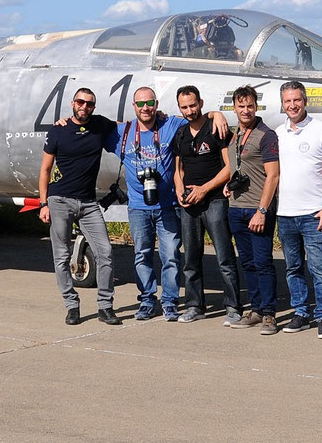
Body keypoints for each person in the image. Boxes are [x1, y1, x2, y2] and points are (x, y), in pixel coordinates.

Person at [100, 86, 229, 321]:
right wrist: (65, 123)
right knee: (142, 255)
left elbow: (195, 117)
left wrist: (216, 114)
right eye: (140, 104)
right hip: (138, 207)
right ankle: (147, 301)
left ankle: (169, 302)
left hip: (168, 205)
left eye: (150, 103)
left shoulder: (170, 125)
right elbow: (92, 132)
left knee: (170, 256)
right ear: (134, 106)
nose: (145, 108)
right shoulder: (122, 132)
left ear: (156, 104)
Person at [39, 88, 120, 326]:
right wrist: (43, 203)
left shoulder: (100, 125)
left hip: (88, 203)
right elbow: (45, 169)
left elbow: (126, 126)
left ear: (94, 107)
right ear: (73, 103)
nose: (84, 106)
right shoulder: (58, 130)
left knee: (105, 252)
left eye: (89, 104)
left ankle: (105, 307)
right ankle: (71, 305)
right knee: (61, 256)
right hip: (59, 200)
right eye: (80, 102)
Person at [274, 80, 322, 339]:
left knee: (319, 268)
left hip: (314, 214)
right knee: (293, 268)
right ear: (282, 104)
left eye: (297, 100)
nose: (292, 105)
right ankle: (301, 313)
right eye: (288, 101)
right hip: (285, 214)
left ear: (305, 101)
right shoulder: (278, 134)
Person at [170, 85, 243, 324]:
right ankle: (194, 306)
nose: (189, 110)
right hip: (190, 205)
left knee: (224, 258)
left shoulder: (216, 129)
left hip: (215, 201)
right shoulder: (181, 134)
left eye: (193, 105)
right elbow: (178, 169)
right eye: (184, 107)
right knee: (191, 259)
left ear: (201, 103)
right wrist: (180, 191)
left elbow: (230, 167)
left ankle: (233, 307)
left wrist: (204, 189)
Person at [222, 85, 280, 333]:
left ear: (256, 107)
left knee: (263, 262)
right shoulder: (236, 134)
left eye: (250, 106)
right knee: (247, 262)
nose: (245, 110)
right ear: (234, 108)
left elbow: (273, 176)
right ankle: (255, 310)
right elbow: (238, 167)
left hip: (257, 209)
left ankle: (269, 314)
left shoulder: (266, 135)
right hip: (236, 208)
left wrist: (262, 211)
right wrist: (229, 184)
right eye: (241, 106)